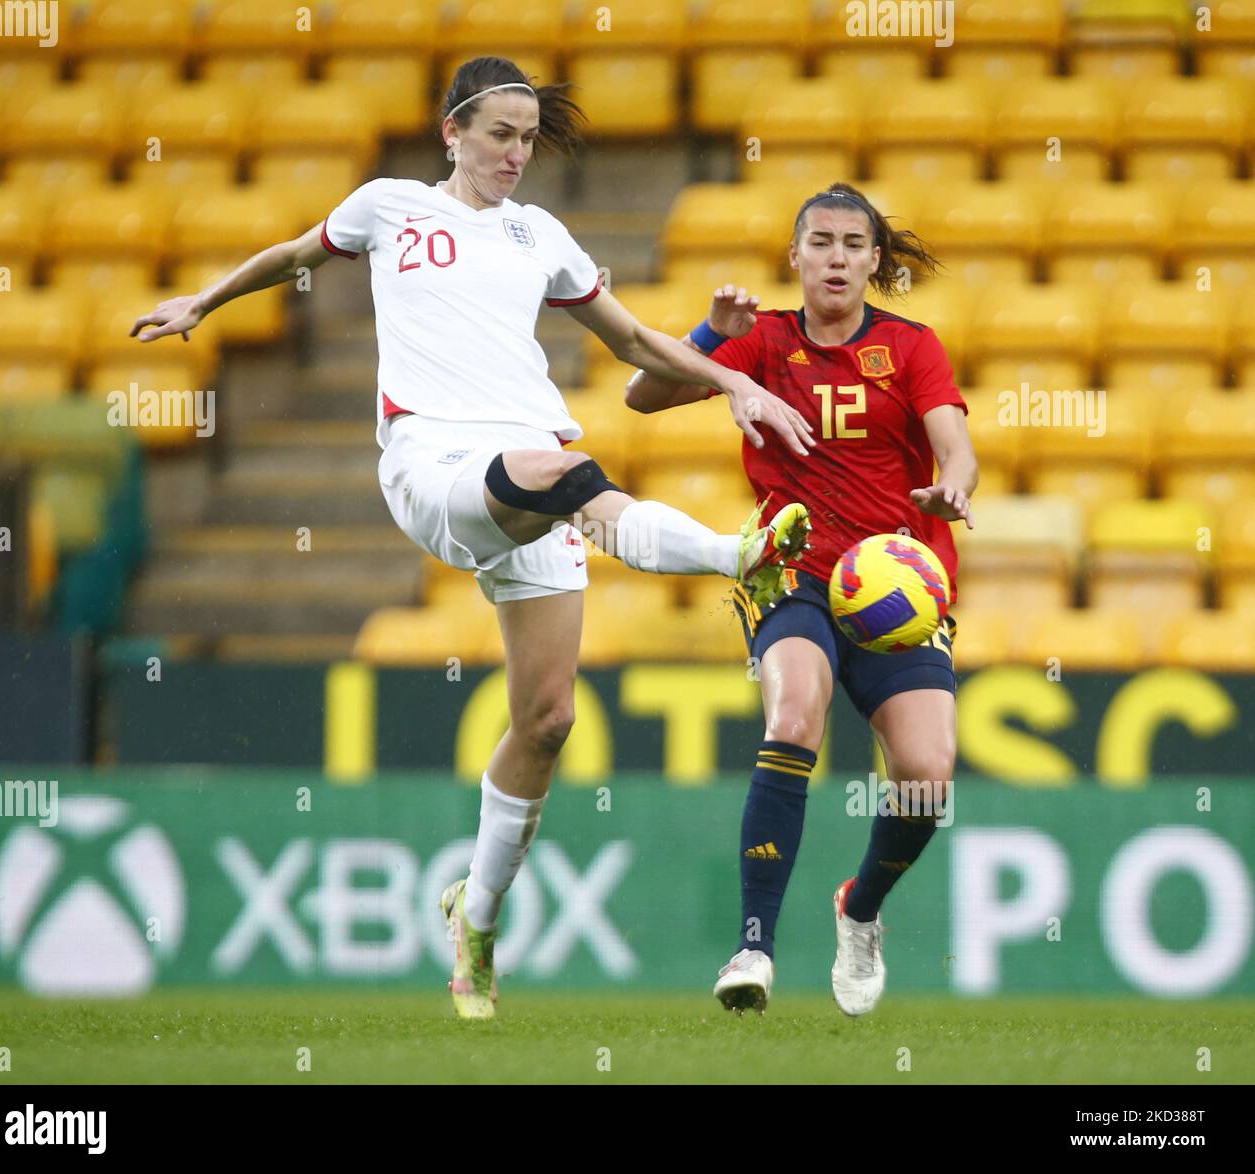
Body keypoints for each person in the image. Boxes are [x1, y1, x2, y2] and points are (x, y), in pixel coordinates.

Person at [131, 56, 817, 1020]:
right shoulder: (389, 207)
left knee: (547, 720)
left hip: (531, 468)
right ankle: (733, 558)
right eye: (499, 132)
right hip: (432, 465)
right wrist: (202, 303)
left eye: (529, 138)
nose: (516, 153)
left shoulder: (542, 235)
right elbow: (292, 257)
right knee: (558, 475)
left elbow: (632, 343)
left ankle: (476, 920)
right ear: (451, 130)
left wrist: (735, 380)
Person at [624, 182, 978, 1017]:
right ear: (795, 256)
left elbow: (955, 451)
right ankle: (753, 946)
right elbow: (641, 396)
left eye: (854, 245)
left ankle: (859, 912)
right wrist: (714, 335)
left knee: (927, 776)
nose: (837, 258)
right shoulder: (762, 340)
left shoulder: (912, 347)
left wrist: (950, 493)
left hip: (897, 587)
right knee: (793, 718)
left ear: (875, 260)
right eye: (820, 242)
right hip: (794, 572)